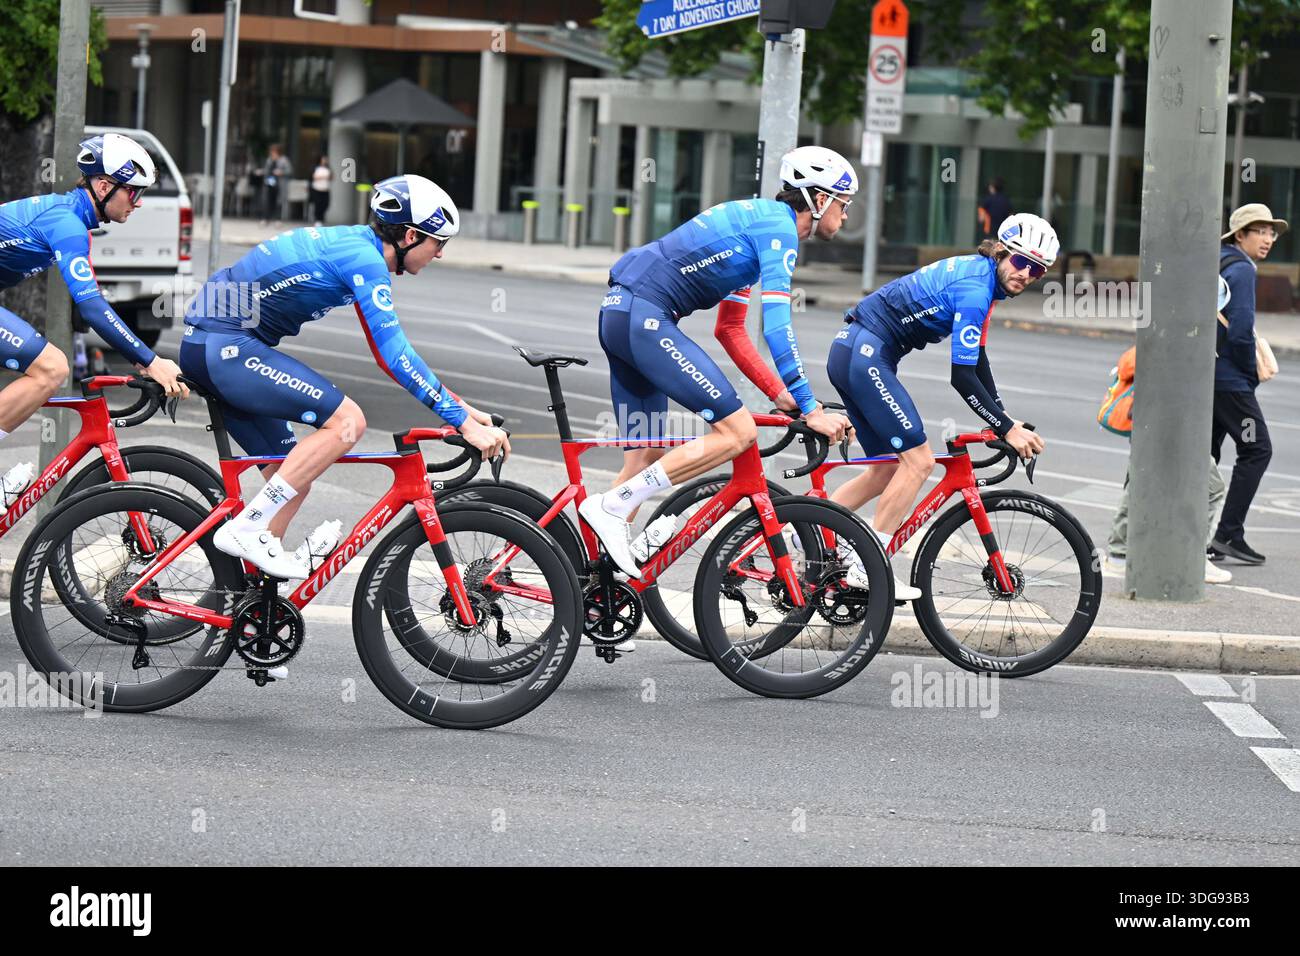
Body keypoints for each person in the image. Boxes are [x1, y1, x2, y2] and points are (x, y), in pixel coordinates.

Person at [181, 173, 509, 579]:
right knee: (348, 421)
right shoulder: (364, 260)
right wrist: (459, 421)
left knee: (293, 477)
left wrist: (463, 410)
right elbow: (392, 355)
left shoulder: (356, 245)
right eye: (438, 242)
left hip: (214, 344)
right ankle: (247, 529)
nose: (439, 254)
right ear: (409, 236)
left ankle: (251, 605)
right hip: (224, 346)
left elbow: (393, 352)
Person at [578, 146, 855, 578]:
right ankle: (611, 506)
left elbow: (730, 330)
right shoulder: (779, 232)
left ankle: (593, 591)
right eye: (843, 203)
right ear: (819, 200)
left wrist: (781, 396)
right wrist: (811, 407)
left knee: (642, 459)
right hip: (644, 317)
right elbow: (778, 329)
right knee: (737, 431)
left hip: (620, 314)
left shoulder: (756, 222)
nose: (845, 215)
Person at [825, 213, 1054, 599]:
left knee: (884, 471)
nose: (1027, 274)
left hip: (849, 349)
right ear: (1001, 252)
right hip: (867, 355)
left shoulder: (986, 282)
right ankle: (870, 565)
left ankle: (803, 536)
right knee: (919, 461)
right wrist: (1005, 429)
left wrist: (1003, 418)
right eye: (1021, 262)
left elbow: (978, 360)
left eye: (1037, 269)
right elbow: (961, 377)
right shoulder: (976, 291)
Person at [0, 132, 187, 503]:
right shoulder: (67, 224)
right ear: (103, 185)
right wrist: (150, 362)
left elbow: (91, 302)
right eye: (133, 192)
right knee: (52, 368)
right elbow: (93, 309)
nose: (138, 203)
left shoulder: (69, 218)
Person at [1102, 277, 1232, 585]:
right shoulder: (1188, 333)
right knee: (1210, 488)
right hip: (1175, 423)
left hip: (1159, 421)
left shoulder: (1170, 324)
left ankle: (1120, 552)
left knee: (1140, 480)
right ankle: (1193, 556)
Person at [1209, 202, 1286, 565]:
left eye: (1272, 232)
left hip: (1206, 377)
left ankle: (1197, 535)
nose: (1268, 238)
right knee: (1257, 449)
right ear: (1240, 234)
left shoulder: (1219, 262)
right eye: (1260, 231)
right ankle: (1228, 534)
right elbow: (1240, 332)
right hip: (1230, 384)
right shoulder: (1241, 269)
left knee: (1204, 457)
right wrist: (1250, 375)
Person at [260, 144, 292, 225]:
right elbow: (266, 170)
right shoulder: (269, 160)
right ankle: (266, 218)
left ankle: (278, 219)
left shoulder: (284, 160)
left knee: (279, 202)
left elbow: (289, 171)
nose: (272, 153)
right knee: (268, 201)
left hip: (279, 184)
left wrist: (281, 172)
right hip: (270, 182)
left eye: (274, 151)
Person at [310, 155, 331, 226]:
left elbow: (331, 177)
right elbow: (313, 177)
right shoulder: (316, 168)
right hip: (317, 189)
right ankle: (317, 220)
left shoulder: (328, 168)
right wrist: (323, 177)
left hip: (325, 189)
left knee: (325, 204)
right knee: (318, 204)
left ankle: (321, 219)